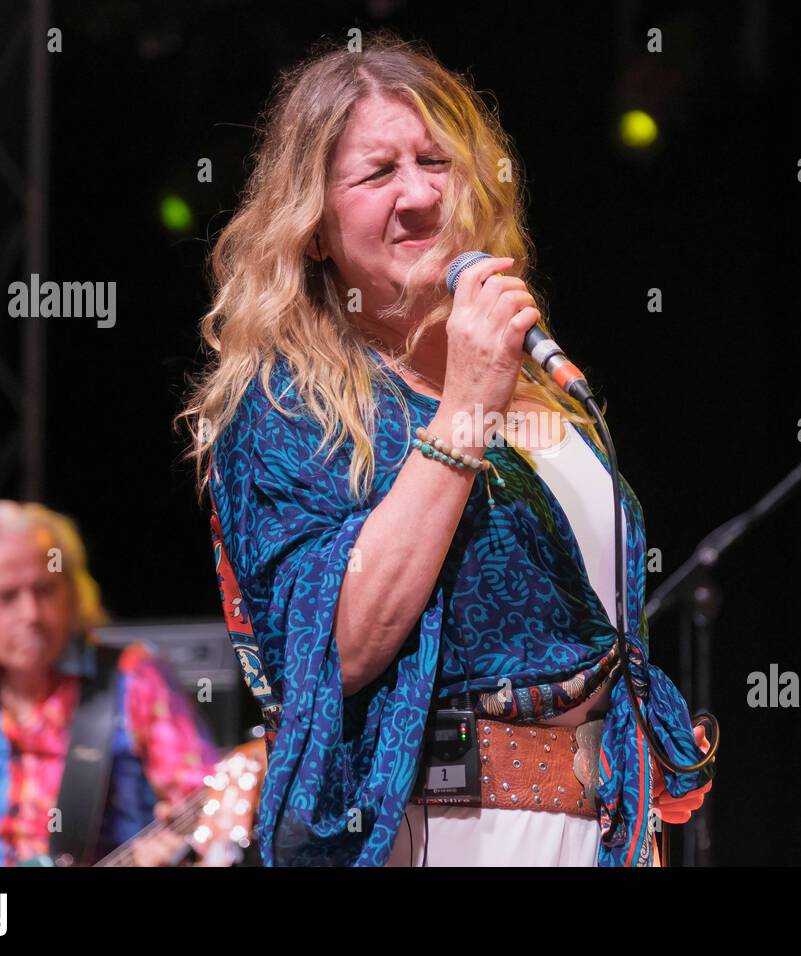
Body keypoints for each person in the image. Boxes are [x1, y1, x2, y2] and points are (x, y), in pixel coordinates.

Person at [182, 31, 713, 867]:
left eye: (437, 161)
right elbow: (337, 650)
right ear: (313, 226)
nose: (419, 195)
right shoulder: (289, 408)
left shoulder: (534, 392)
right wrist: (463, 411)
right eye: (378, 172)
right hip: (446, 835)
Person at [0, 500, 221, 866]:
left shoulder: (133, 678)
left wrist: (177, 851)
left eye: (45, 590)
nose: (30, 614)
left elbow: (207, 806)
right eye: (6, 597)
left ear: (74, 592)